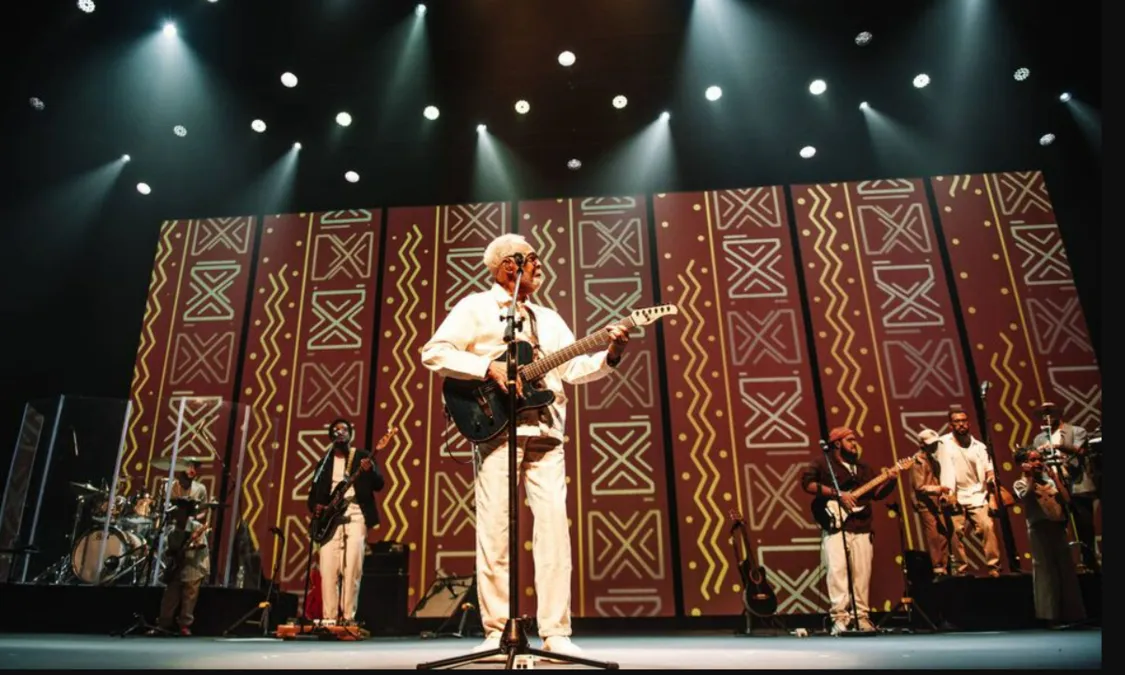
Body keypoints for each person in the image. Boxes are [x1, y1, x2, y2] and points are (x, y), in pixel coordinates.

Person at [420, 233, 630, 658]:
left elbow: (573, 368)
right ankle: (497, 631)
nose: (540, 265)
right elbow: (434, 353)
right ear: (507, 266)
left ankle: (556, 632)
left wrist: (610, 353)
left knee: (554, 532)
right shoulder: (476, 307)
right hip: (496, 429)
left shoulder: (548, 318)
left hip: (547, 433)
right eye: (532, 258)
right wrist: (487, 367)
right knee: (495, 533)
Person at [800, 426, 900, 634]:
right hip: (835, 526)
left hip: (862, 525)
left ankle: (861, 617)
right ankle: (840, 618)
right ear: (837, 444)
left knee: (862, 574)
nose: (855, 444)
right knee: (837, 572)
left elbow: (877, 494)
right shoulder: (823, 464)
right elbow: (807, 484)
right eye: (850, 440)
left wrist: (891, 480)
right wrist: (838, 494)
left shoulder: (863, 468)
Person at [306, 418, 386, 623]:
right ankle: (329, 619)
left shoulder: (361, 457)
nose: (340, 432)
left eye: (344, 430)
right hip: (330, 521)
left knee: (352, 570)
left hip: (356, 516)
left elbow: (379, 484)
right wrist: (316, 507)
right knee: (328, 570)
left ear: (350, 435)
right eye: (336, 430)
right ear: (331, 436)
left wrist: (371, 470)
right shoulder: (324, 462)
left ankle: (348, 618)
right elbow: (313, 494)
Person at [1012, 445, 1086, 626]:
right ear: (1024, 464)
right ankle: (1050, 616)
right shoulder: (1021, 483)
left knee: (1066, 569)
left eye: (1040, 459)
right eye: (1033, 460)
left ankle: (1073, 614)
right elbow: (1027, 497)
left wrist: (1055, 479)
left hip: (1058, 528)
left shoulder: (1050, 482)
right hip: (1039, 529)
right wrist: (1030, 477)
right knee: (1046, 571)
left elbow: (1066, 499)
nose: (1038, 462)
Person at [935, 407, 1002, 577]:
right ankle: (961, 570)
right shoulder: (943, 443)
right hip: (954, 495)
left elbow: (989, 469)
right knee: (955, 534)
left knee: (987, 527)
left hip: (977, 494)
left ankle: (994, 567)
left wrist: (991, 483)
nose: (961, 424)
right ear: (951, 425)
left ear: (968, 423)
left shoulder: (979, 446)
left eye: (963, 421)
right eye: (957, 421)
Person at [1032, 402, 1098, 573]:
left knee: (1084, 527)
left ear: (1059, 414)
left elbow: (1079, 451)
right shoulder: (1039, 439)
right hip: (1055, 488)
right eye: (1043, 413)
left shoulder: (1076, 431)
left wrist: (1058, 446)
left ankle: (1091, 564)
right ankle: (1065, 566)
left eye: (1050, 412)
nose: (1047, 416)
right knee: (1058, 529)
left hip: (1077, 486)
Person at [153, 459, 209, 636]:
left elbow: (204, 510)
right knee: (172, 589)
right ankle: (164, 622)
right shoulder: (170, 487)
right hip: (176, 530)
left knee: (190, 589)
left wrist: (192, 518)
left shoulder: (200, 489)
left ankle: (185, 623)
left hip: (192, 534)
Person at [910, 428, 955, 577]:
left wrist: (942, 493)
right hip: (926, 503)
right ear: (922, 444)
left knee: (943, 534)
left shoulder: (933, 459)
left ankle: (945, 566)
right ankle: (937, 566)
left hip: (937, 502)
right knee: (933, 536)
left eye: (935, 443)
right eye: (931, 444)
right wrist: (939, 489)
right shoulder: (918, 461)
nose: (934, 446)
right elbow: (919, 487)